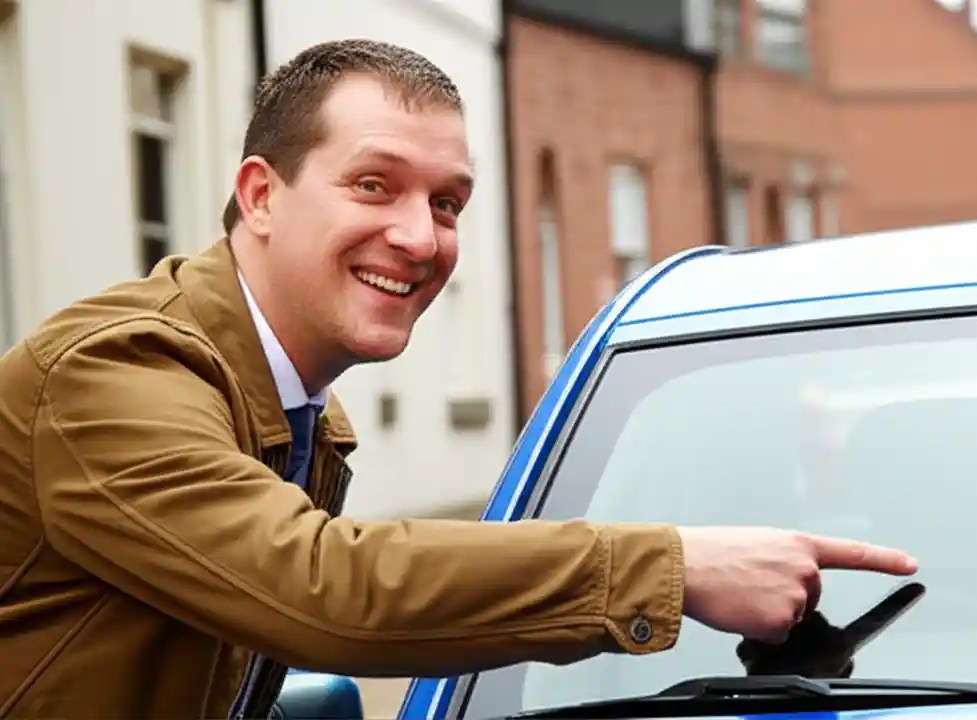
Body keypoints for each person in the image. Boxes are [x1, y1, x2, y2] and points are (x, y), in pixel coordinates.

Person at [0, 39, 917, 718]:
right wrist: (671, 568)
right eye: (373, 185)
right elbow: (321, 592)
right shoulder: (112, 371)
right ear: (260, 195)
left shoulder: (294, 413)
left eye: (446, 202)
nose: (420, 236)